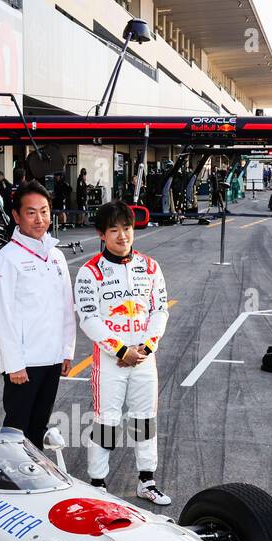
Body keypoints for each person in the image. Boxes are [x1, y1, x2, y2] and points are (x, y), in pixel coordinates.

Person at [74, 200, 171, 505]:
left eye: (126, 228)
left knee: (145, 420)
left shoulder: (151, 266)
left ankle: (146, 480)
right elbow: (89, 319)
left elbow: (160, 310)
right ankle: (98, 485)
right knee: (107, 421)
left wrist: (147, 345)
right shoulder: (90, 272)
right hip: (110, 361)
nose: (122, 235)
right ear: (101, 234)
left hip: (144, 358)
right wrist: (119, 349)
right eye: (113, 229)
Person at [0, 180, 76, 449]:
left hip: (52, 357)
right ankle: (7, 480)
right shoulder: (6, 259)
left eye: (45, 211)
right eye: (31, 212)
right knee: (16, 428)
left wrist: (67, 350)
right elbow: (2, 316)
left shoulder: (56, 256)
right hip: (24, 363)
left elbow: (65, 307)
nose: (40, 219)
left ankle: (35, 478)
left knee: (39, 425)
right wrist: (14, 363)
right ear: (16, 216)